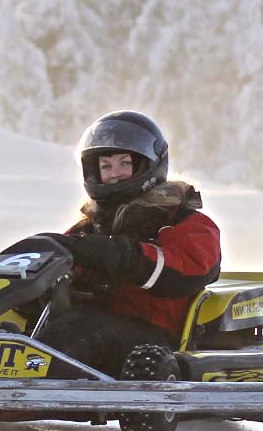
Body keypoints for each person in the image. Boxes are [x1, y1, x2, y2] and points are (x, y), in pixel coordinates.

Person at [39, 111, 221, 379]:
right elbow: (61, 258)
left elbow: (189, 270)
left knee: (84, 326)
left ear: (147, 165)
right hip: (90, 327)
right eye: (106, 166)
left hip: (153, 339)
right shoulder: (90, 227)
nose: (115, 175)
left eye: (124, 163)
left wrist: (125, 255)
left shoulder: (185, 221)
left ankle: (6, 395)